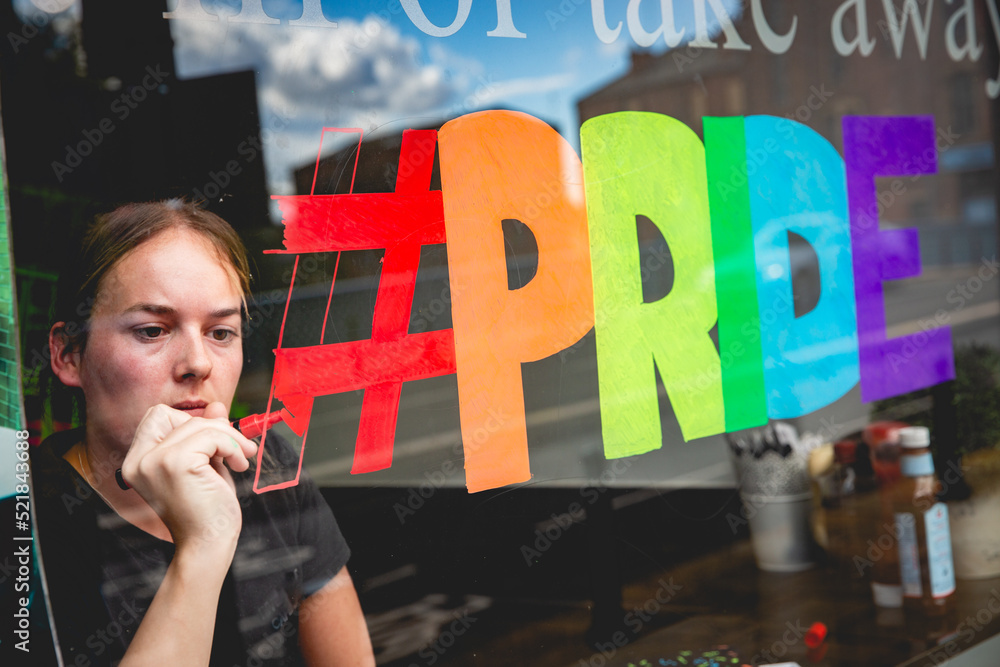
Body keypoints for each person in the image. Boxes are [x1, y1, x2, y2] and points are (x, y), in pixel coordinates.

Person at [31, 200, 375, 666]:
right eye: (152, 330)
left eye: (221, 332)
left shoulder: (265, 462)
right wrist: (203, 547)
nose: (198, 363)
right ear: (70, 354)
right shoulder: (26, 524)